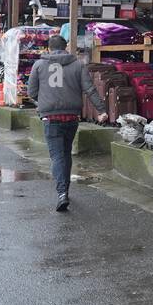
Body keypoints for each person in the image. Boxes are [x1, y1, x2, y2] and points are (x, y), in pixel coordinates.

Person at [27, 35, 108, 213]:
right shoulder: (78, 64)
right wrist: (101, 111)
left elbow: (31, 91)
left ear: (48, 48)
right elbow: (90, 89)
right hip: (71, 117)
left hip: (51, 117)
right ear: (66, 48)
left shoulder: (39, 65)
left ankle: (62, 192)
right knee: (66, 153)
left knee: (57, 156)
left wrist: (42, 102)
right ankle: (66, 189)